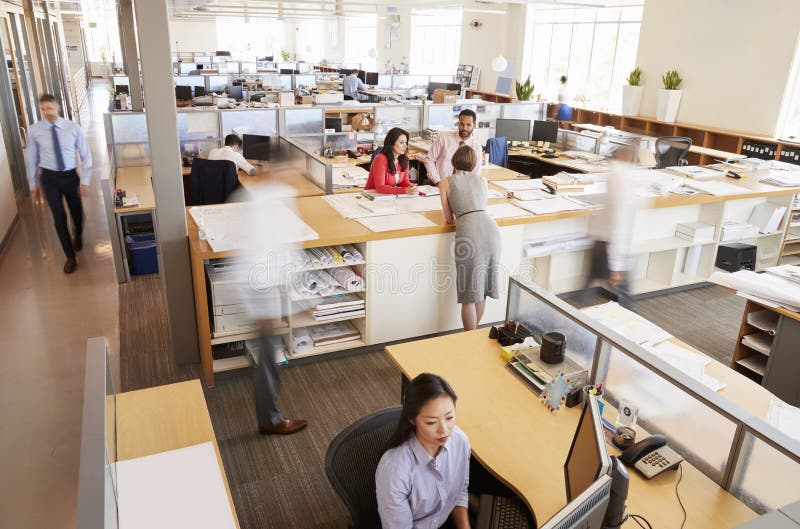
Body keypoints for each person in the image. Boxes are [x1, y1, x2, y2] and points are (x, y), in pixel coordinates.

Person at [235, 173, 309, 436]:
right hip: (259, 283)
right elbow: (276, 243)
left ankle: (269, 414)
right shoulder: (276, 196)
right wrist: (284, 277)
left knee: (268, 348)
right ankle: (270, 420)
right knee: (268, 352)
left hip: (256, 279)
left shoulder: (254, 194)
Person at [376, 373, 471, 529]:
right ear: (412, 419)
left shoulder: (460, 441)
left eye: (449, 417)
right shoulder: (395, 469)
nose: (444, 430)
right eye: (431, 422)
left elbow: (459, 491)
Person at [26, 94, 92, 274]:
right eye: (43, 109)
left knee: (77, 213)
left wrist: (85, 181)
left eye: (50, 108)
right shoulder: (34, 130)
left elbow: (86, 155)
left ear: (58, 107)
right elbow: (31, 158)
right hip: (49, 179)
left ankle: (78, 233)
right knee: (58, 216)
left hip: (70, 177)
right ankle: (70, 257)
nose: (47, 112)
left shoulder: (72, 128)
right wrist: (33, 185)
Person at [439, 145, 501, 331]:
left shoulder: (446, 182)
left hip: (469, 232)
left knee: (469, 293)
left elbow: (449, 219)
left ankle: (469, 338)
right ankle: (472, 337)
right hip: (492, 231)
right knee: (481, 291)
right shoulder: (482, 180)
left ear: (453, 161)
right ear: (474, 163)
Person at [424, 109, 482, 186]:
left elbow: (475, 173)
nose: (464, 128)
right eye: (462, 124)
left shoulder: (476, 147)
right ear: (458, 124)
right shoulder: (444, 137)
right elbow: (429, 159)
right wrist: (438, 182)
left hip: (461, 188)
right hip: (439, 183)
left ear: (474, 125)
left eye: (468, 125)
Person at [365, 127, 417, 195]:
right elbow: (380, 187)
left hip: (388, 196)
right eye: (401, 143)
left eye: (406, 143)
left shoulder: (404, 157)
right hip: (372, 196)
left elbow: (404, 181)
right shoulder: (380, 159)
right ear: (391, 143)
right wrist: (404, 190)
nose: (405, 146)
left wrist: (412, 187)